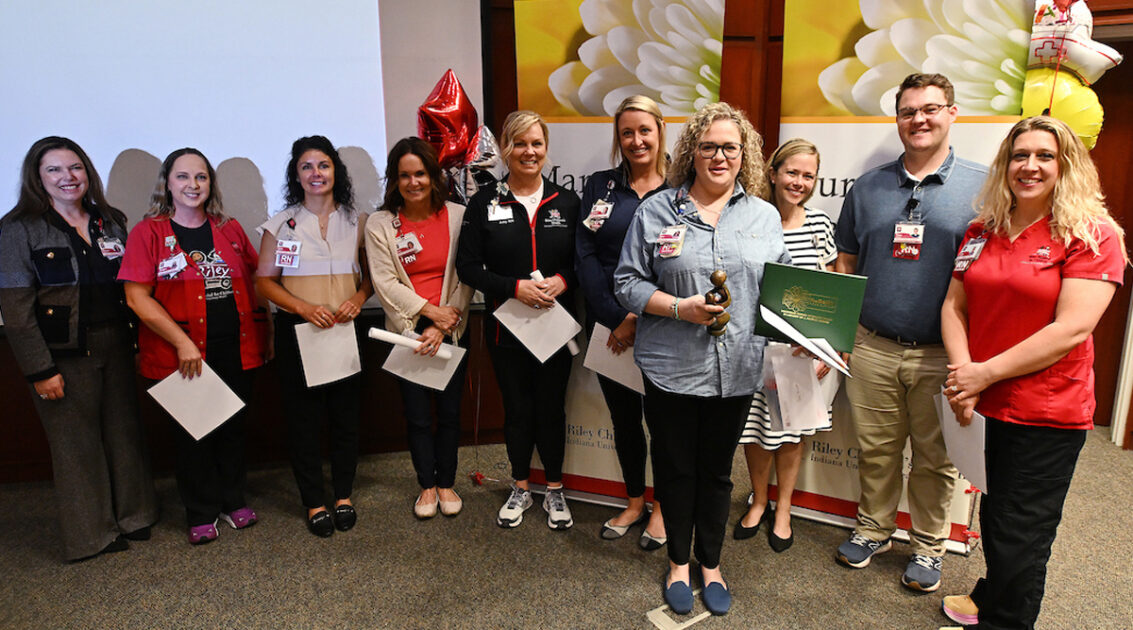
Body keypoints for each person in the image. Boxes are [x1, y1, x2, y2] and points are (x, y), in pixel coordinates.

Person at [938, 116, 1126, 630]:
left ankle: (1006, 619)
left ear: (1068, 165)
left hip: (1045, 410)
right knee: (996, 515)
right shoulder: (984, 230)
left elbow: (1071, 328)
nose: (1030, 166)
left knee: (1022, 531)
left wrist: (982, 374)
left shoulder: (1091, 235)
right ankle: (992, 596)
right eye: (1020, 155)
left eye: (1046, 156)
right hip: (984, 401)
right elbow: (954, 306)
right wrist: (965, 375)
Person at [614, 101, 789, 616]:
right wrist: (678, 308)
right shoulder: (656, 212)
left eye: (730, 147)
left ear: (744, 154)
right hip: (670, 369)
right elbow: (626, 282)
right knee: (674, 471)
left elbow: (781, 288)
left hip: (737, 371)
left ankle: (710, 564)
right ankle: (678, 564)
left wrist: (808, 327)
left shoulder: (763, 215)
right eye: (708, 146)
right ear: (692, 152)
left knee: (716, 474)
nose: (719, 156)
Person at [833, 73, 987, 591]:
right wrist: (842, 335)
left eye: (931, 109)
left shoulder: (986, 187)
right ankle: (873, 529)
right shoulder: (867, 187)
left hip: (943, 354)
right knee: (876, 450)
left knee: (936, 460)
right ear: (897, 118)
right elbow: (846, 262)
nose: (919, 119)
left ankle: (928, 545)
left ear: (952, 113)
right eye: (908, 111)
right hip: (872, 345)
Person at [0, 137, 158, 561]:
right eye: (54, 169)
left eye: (75, 168)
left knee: (125, 434)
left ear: (87, 172)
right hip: (62, 355)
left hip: (117, 343)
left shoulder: (111, 220)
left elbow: (131, 286)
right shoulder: (17, 229)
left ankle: (135, 515)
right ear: (37, 178)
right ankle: (92, 535)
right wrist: (40, 370)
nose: (67, 177)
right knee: (76, 446)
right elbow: (15, 311)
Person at [119, 148, 268, 545]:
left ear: (210, 184)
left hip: (236, 348)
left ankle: (233, 500)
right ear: (167, 184)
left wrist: (266, 334)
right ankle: (201, 511)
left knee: (233, 429)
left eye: (201, 177)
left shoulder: (229, 229)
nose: (193, 185)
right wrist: (182, 342)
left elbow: (256, 281)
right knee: (194, 434)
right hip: (181, 355)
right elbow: (136, 297)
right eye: (183, 177)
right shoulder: (148, 233)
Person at [455, 110, 580, 530]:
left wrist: (563, 280)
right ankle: (521, 486)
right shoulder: (483, 202)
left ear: (546, 149)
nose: (529, 152)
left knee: (551, 408)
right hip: (506, 329)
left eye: (536, 143)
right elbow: (468, 268)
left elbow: (583, 263)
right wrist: (514, 288)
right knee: (517, 409)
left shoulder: (567, 202)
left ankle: (556, 488)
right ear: (506, 149)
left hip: (555, 328)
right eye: (519, 144)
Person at [255, 136, 372, 537]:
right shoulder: (281, 225)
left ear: (335, 170)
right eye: (306, 166)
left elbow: (371, 278)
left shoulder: (358, 221)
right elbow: (264, 283)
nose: (315, 173)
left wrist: (358, 298)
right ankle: (314, 502)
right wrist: (303, 309)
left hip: (345, 330)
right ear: (296, 174)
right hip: (299, 332)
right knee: (303, 422)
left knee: (345, 420)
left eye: (323, 165)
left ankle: (343, 496)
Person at [735, 138, 837, 553]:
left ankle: (784, 509)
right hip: (752, 348)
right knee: (754, 432)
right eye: (792, 172)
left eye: (808, 176)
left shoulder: (820, 226)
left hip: (798, 353)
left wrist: (828, 347)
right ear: (773, 173)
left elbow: (831, 290)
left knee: (792, 433)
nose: (799, 182)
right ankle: (759, 501)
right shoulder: (749, 220)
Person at [576, 95, 668, 550]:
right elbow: (586, 255)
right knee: (625, 420)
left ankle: (664, 508)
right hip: (610, 329)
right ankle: (634, 501)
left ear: (660, 131)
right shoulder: (601, 186)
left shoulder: (683, 188)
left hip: (666, 328)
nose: (636, 140)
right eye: (627, 133)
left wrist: (640, 316)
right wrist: (616, 317)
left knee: (665, 425)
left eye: (644, 130)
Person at [366, 137, 473, 520]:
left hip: (452, 325)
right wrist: (429, 315)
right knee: (417, 415)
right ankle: (426, 485)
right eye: (405, 175)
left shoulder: (458, 215)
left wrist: (444, 323)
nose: (414, 182)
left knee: (449, 413)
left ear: (434, 176)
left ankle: (446, 483)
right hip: (406, 329)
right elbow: (384, 282)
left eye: (421, 174)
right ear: (395, 180)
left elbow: (466, 274)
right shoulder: (380, 223)